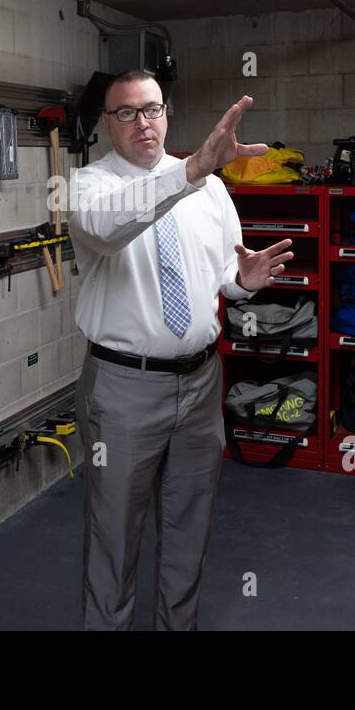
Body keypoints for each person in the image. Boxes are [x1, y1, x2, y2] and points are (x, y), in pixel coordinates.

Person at [69, 69, 293, 630]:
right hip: (123, 388)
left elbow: (222, 274)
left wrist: (245, 281)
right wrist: (191, 171)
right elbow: (107, 228)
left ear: (165, 113)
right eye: (126, 112)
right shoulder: (88, 185)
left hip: (199, 383)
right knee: (115, 532)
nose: (142, 123)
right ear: (106, 123)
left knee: (189, 527)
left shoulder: (212, 189)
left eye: (152, 109)